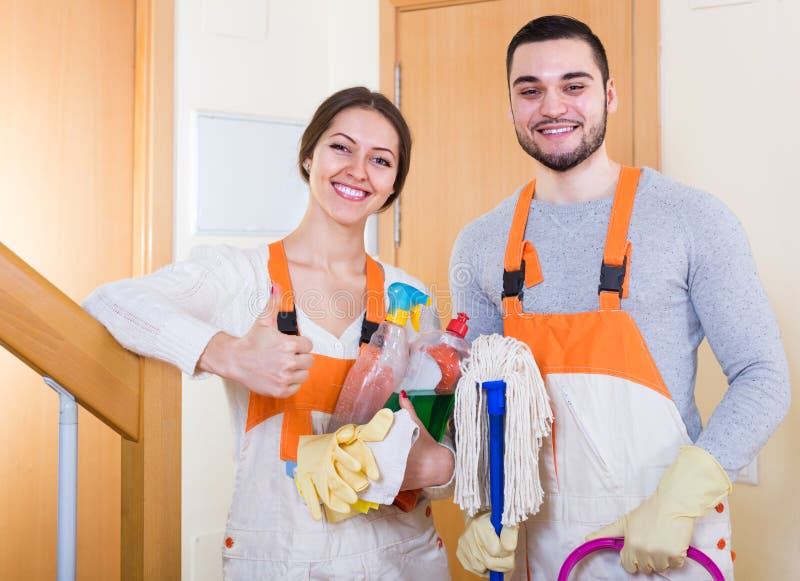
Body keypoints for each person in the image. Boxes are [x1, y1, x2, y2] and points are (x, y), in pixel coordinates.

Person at [450, 15, 790, 580]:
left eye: (574, 85)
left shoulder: (692, 219)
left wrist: (680, 498)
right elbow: (478, 402)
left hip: (668, 543)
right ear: (509, 108)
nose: (552, 106)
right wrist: (484, 504)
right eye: (530, 90)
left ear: (610, 95)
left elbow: (763, 376)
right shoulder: (481, 244)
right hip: (542, 549)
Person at [84, 87, 454, 579]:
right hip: (282, 560)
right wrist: (229, 354)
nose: (358, 170)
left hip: (403, 559)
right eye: (341, 147)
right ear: (309, 155)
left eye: (380, 160)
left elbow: (445, 441)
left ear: (393, 186)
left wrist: (438, 469)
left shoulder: (409, 298)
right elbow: (110, 302)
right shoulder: (242, 278)